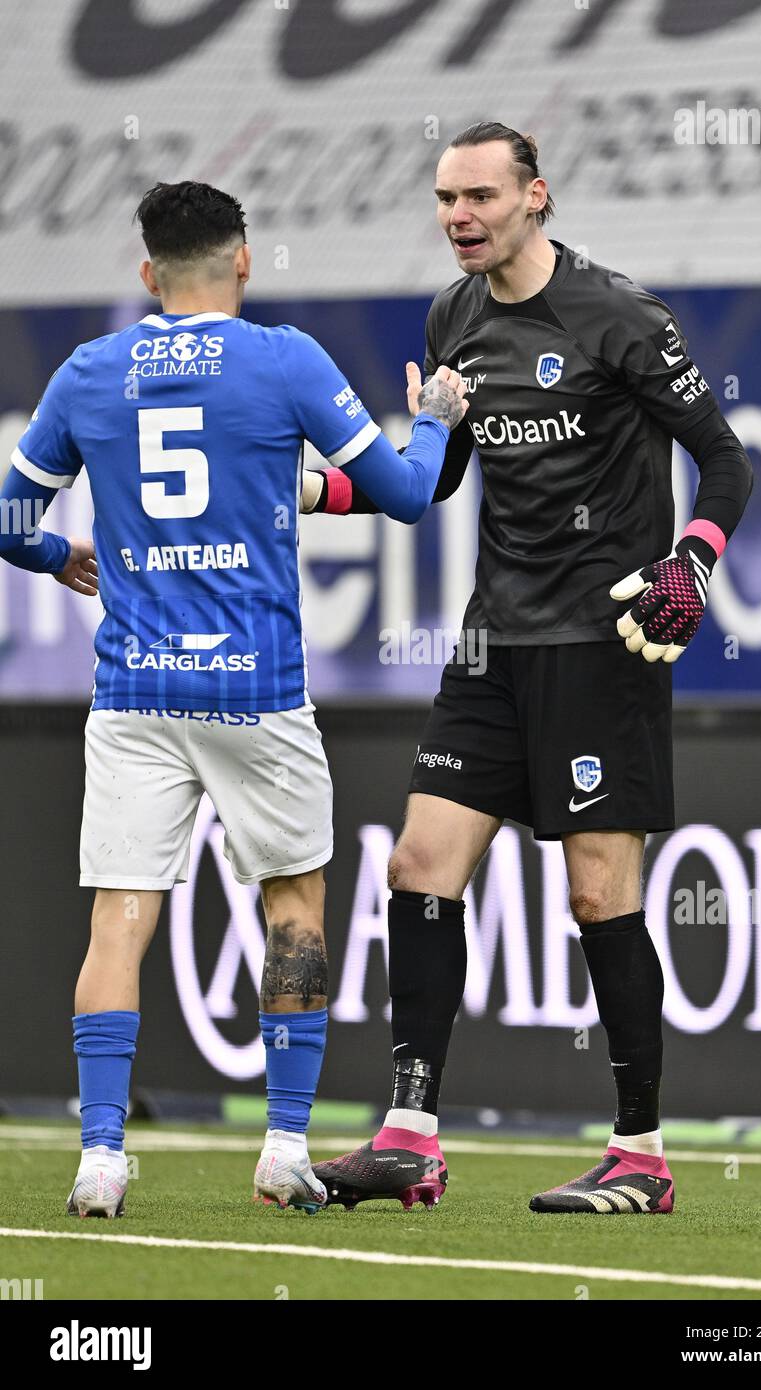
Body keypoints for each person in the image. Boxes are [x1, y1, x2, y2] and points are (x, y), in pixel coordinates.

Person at [303, 123, 753, 1215]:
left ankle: (639, 1155)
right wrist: (326, 494)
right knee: (418, 863)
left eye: (477, 197)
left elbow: (725, 461)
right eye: (444, 198)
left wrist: (688, 565)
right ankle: (409, 1134)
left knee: (598, 891)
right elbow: (440, 478)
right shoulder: (451, 315)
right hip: (489, 644)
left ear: (534, 197)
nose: (456, 216)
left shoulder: (620, 315)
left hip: (600, 647)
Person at [0, 180, 467, 1217]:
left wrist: (55, 552)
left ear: (145, 275)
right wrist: (432, 421)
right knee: (292, 904)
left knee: (119, 918)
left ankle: (101, 1159)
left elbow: (8, 518)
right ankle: (283, 1148)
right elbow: (399, 494)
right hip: (254, 690)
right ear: (244, 262)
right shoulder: (282, 359)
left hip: (134, 691)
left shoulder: (90, 372)